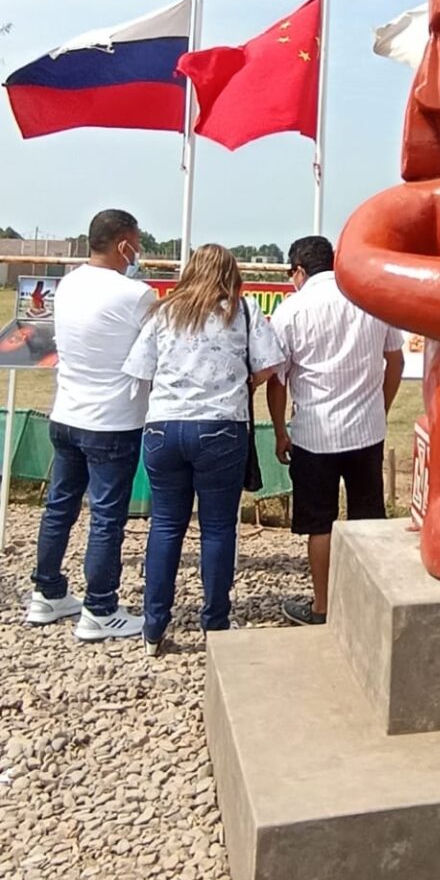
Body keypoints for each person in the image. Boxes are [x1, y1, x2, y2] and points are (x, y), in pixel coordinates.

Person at [123, 244, 284, 655]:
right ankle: (215, 620)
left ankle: (154, 624)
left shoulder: (164, 311)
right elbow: (269, 364)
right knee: (217, 528)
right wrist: (242, 382)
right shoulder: (242, 311)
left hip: (164, 427)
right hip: (221, 427)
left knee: (165, 525)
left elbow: (139, 369)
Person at [24, 209, 153, 641]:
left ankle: (47, 592)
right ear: (124, 245)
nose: (138, 253)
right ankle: (100, 608)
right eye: (137, 245)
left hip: (66, 412)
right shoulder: (136, 294)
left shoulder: (69, 283)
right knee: (106, 518)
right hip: (112, 421)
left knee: (59, 507)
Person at [267, 236, 405, 626]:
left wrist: (279, 431)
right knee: (368, 522)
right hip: (366, 430)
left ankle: (323, 606)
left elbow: (277, 380)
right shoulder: (369, 301)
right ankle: (370, 606)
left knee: (320, 524)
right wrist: (381, 407)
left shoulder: (290, 310)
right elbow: (394, 362)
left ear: (298, 270)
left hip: (314, 433)